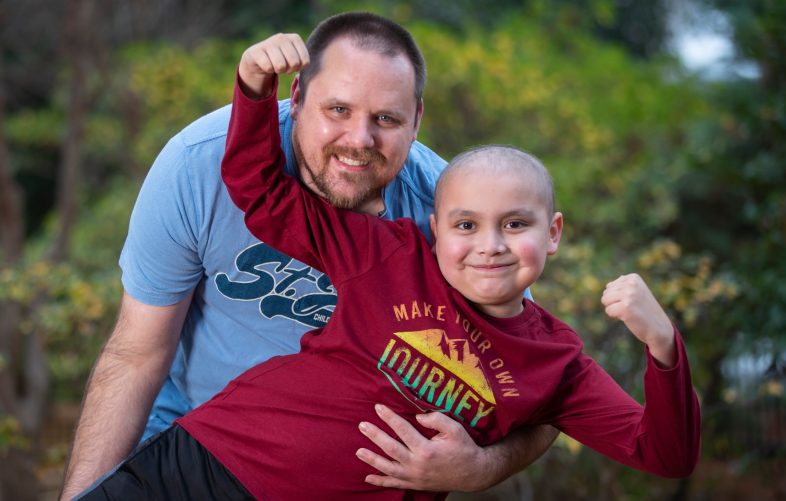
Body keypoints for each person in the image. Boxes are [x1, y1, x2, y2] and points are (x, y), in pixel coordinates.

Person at [76, 32, 701, 500]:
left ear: (554, 233)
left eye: (515, 226)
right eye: (465, 226)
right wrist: (251, 89)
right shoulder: (387, 250)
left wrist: (664, 347)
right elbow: (259, 194)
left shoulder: (547, 353)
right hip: (211, 463)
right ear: (434, 228)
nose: (489, 244)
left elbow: (655, 450)